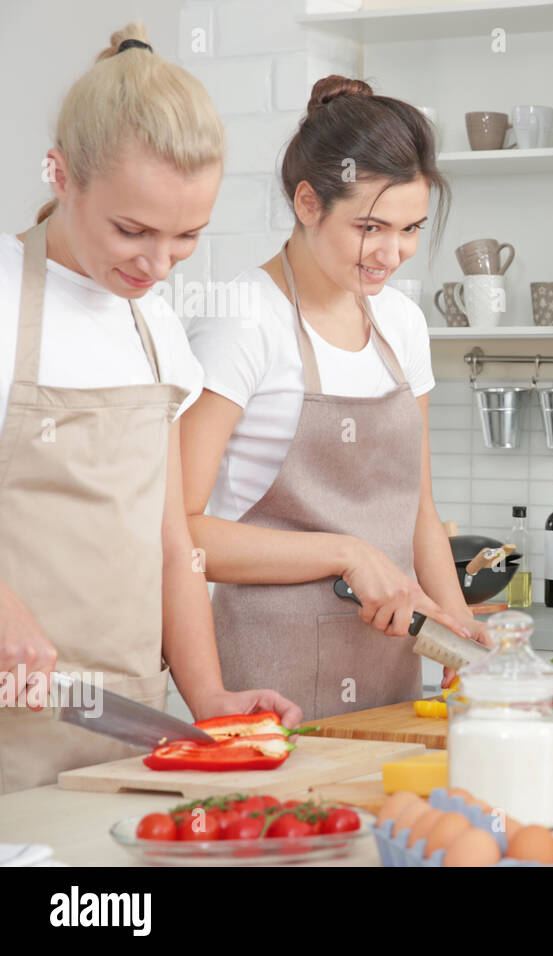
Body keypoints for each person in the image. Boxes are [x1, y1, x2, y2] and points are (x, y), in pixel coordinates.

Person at [0, 24, 299, 793]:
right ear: (61, 177)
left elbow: (172, 544)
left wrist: (210, 700)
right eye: (132, 230)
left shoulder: (156, 325)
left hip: (129, 715)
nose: (156, 265)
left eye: (186, 237)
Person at [181, 76, 483, 721]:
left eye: (410, 229)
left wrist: (458, 627)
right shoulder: (243, 321)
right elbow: (182, 534)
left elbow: (418, 508)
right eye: (370, 227)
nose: (391, 254)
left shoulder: (400, 323)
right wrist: (346, 551)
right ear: (309, 202)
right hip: (268, 675)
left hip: (387, 672)